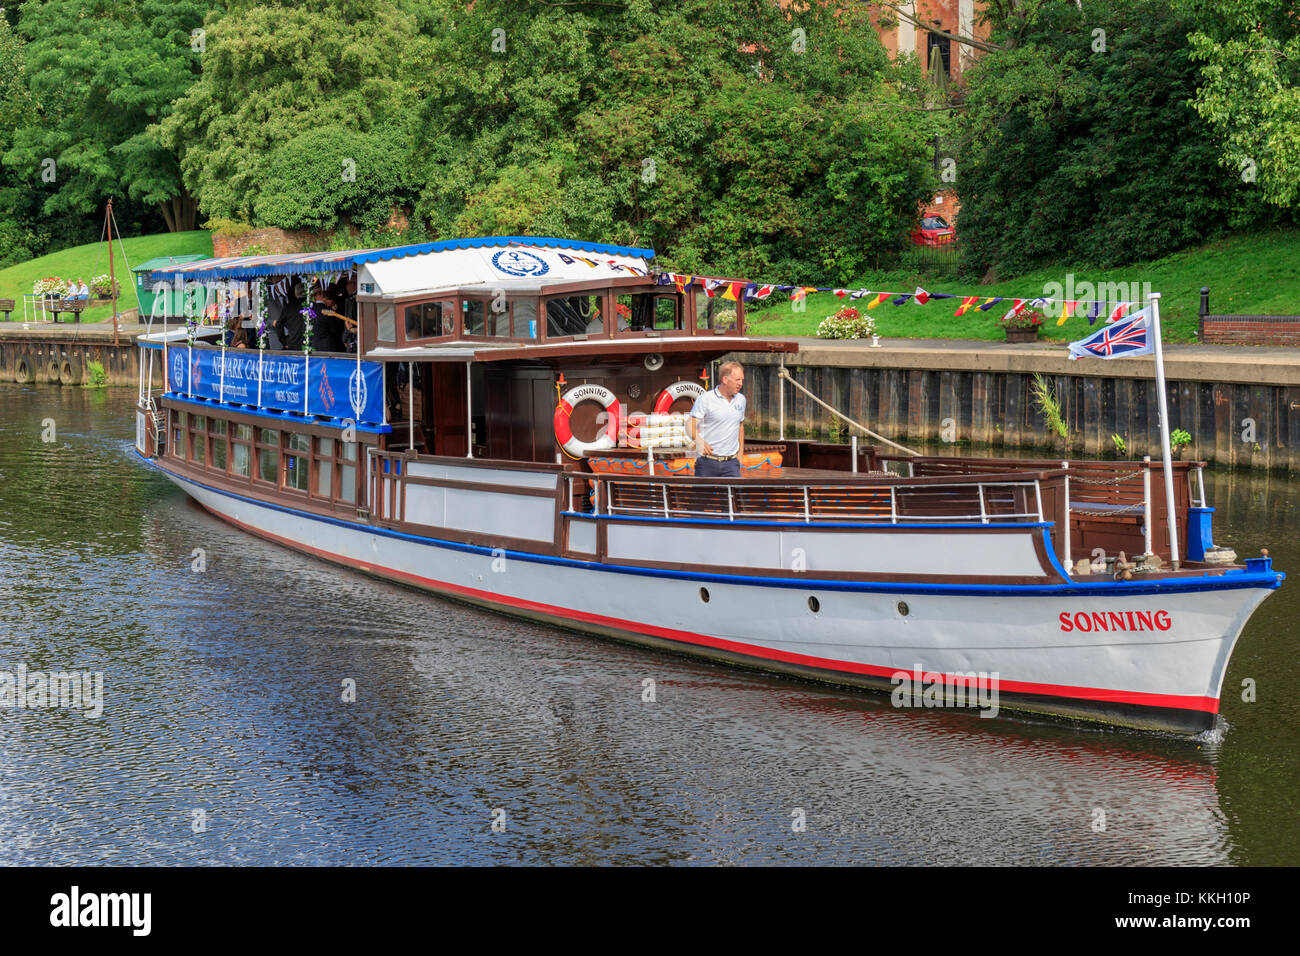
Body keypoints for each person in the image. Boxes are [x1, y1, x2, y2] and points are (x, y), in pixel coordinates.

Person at [687, 362, 746, 478]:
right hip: (707, 462)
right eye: (737, 380)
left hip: (731, 463)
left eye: (742, 380)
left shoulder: (741, 400)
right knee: (702, 496)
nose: (741, 384)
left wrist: (741, 453)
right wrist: (699, 441)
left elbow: (740, 426)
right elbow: (689, 425)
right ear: (725, 379)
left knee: (736, 496)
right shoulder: (705, 399)